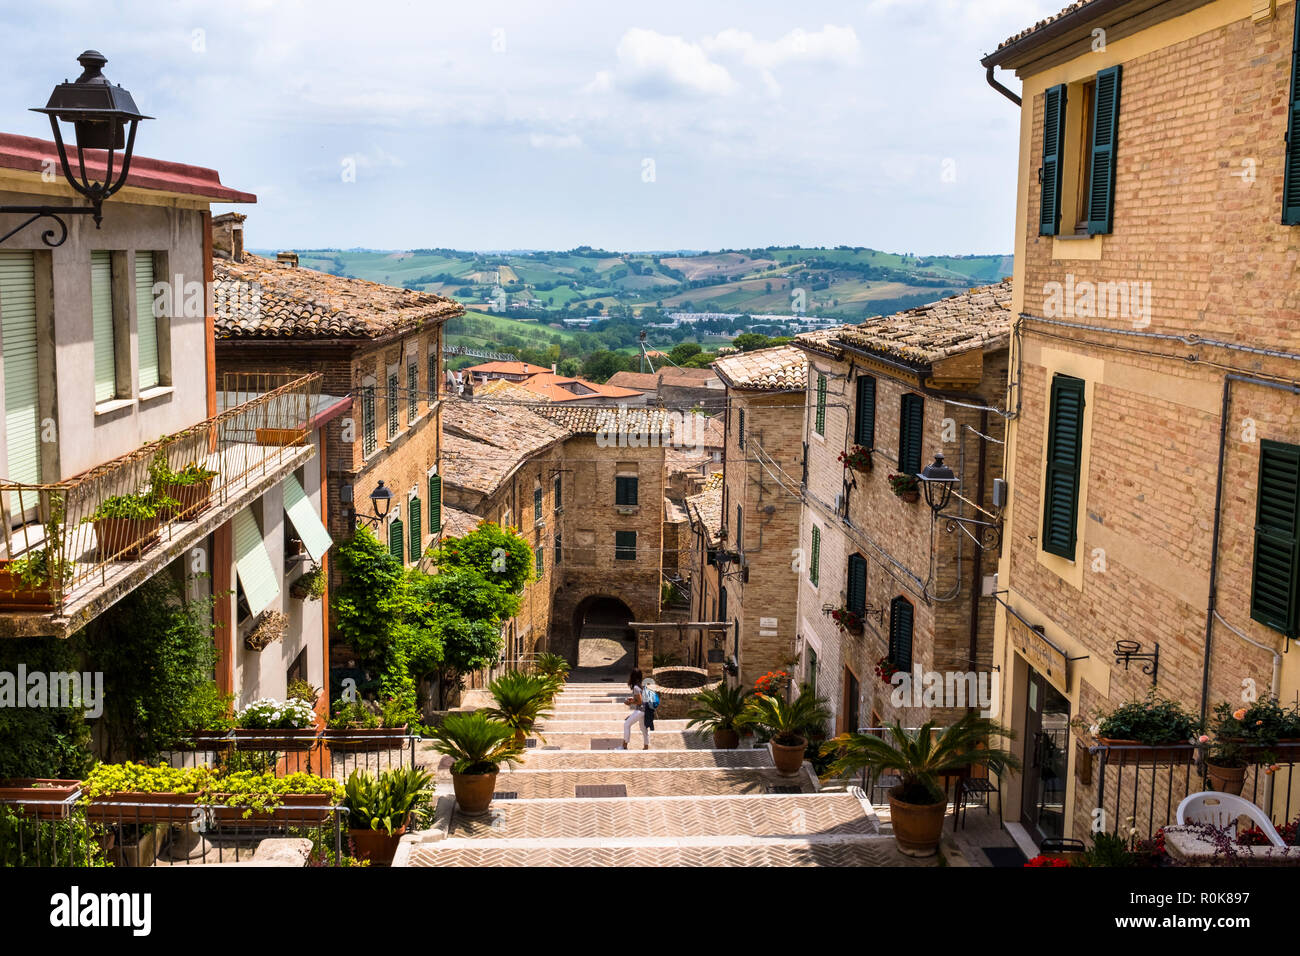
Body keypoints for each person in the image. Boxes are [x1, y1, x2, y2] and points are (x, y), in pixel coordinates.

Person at [622, 668, 650, 750]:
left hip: (641, 710)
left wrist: (630, 702)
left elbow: (640, 702)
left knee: (626, 724)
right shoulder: (642, 686)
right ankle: (646, 747)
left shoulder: (635, 688)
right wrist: (633, 699)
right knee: (643, 729)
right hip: (645, 710)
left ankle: (624, 746)